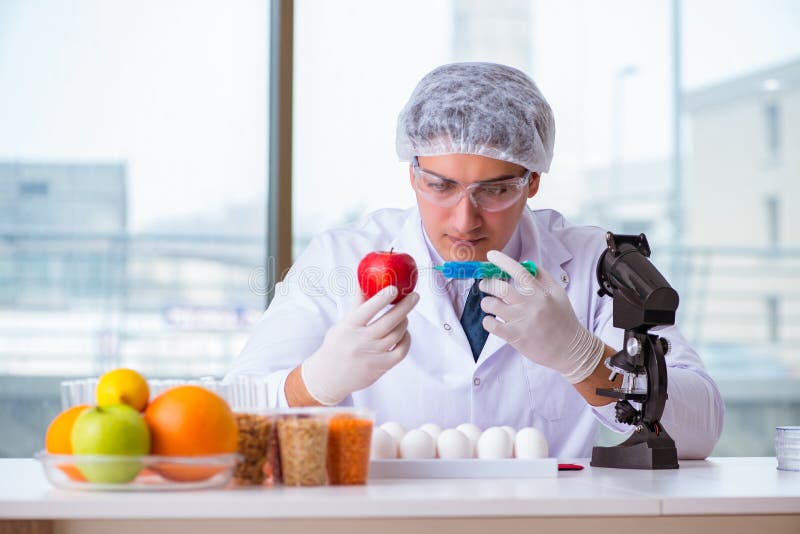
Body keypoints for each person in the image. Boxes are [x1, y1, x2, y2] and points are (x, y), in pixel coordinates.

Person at [227, 62, 724, 459]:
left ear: (533, 180)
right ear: (412, 173)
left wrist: (584, 358)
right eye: (440, 185)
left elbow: (701, 430)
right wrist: (314, 382)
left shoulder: (595, 262)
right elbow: (233, 418)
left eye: (496, 190)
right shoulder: (340, 258)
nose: (465, 220)